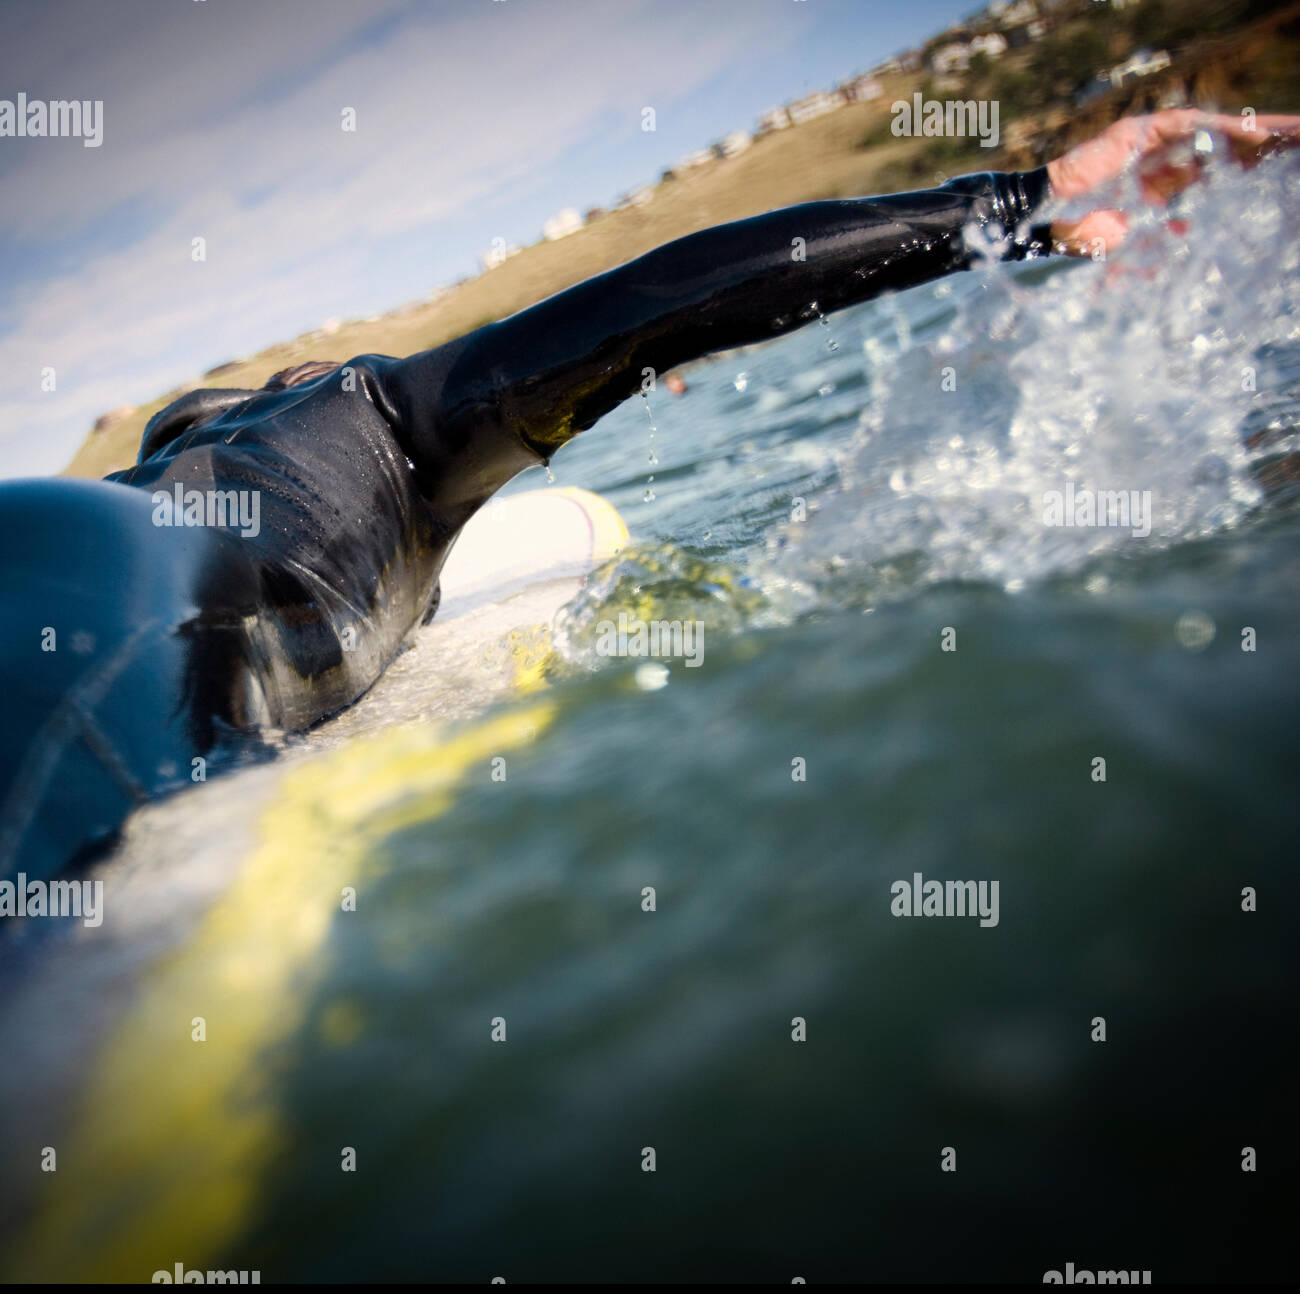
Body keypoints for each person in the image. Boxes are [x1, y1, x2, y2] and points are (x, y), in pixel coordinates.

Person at [1, 109, 1295, 891]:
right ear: (287, 385)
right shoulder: (377, 414)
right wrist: (1019, 203)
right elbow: (653, 302)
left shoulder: (216, 466)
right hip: (117, 594)